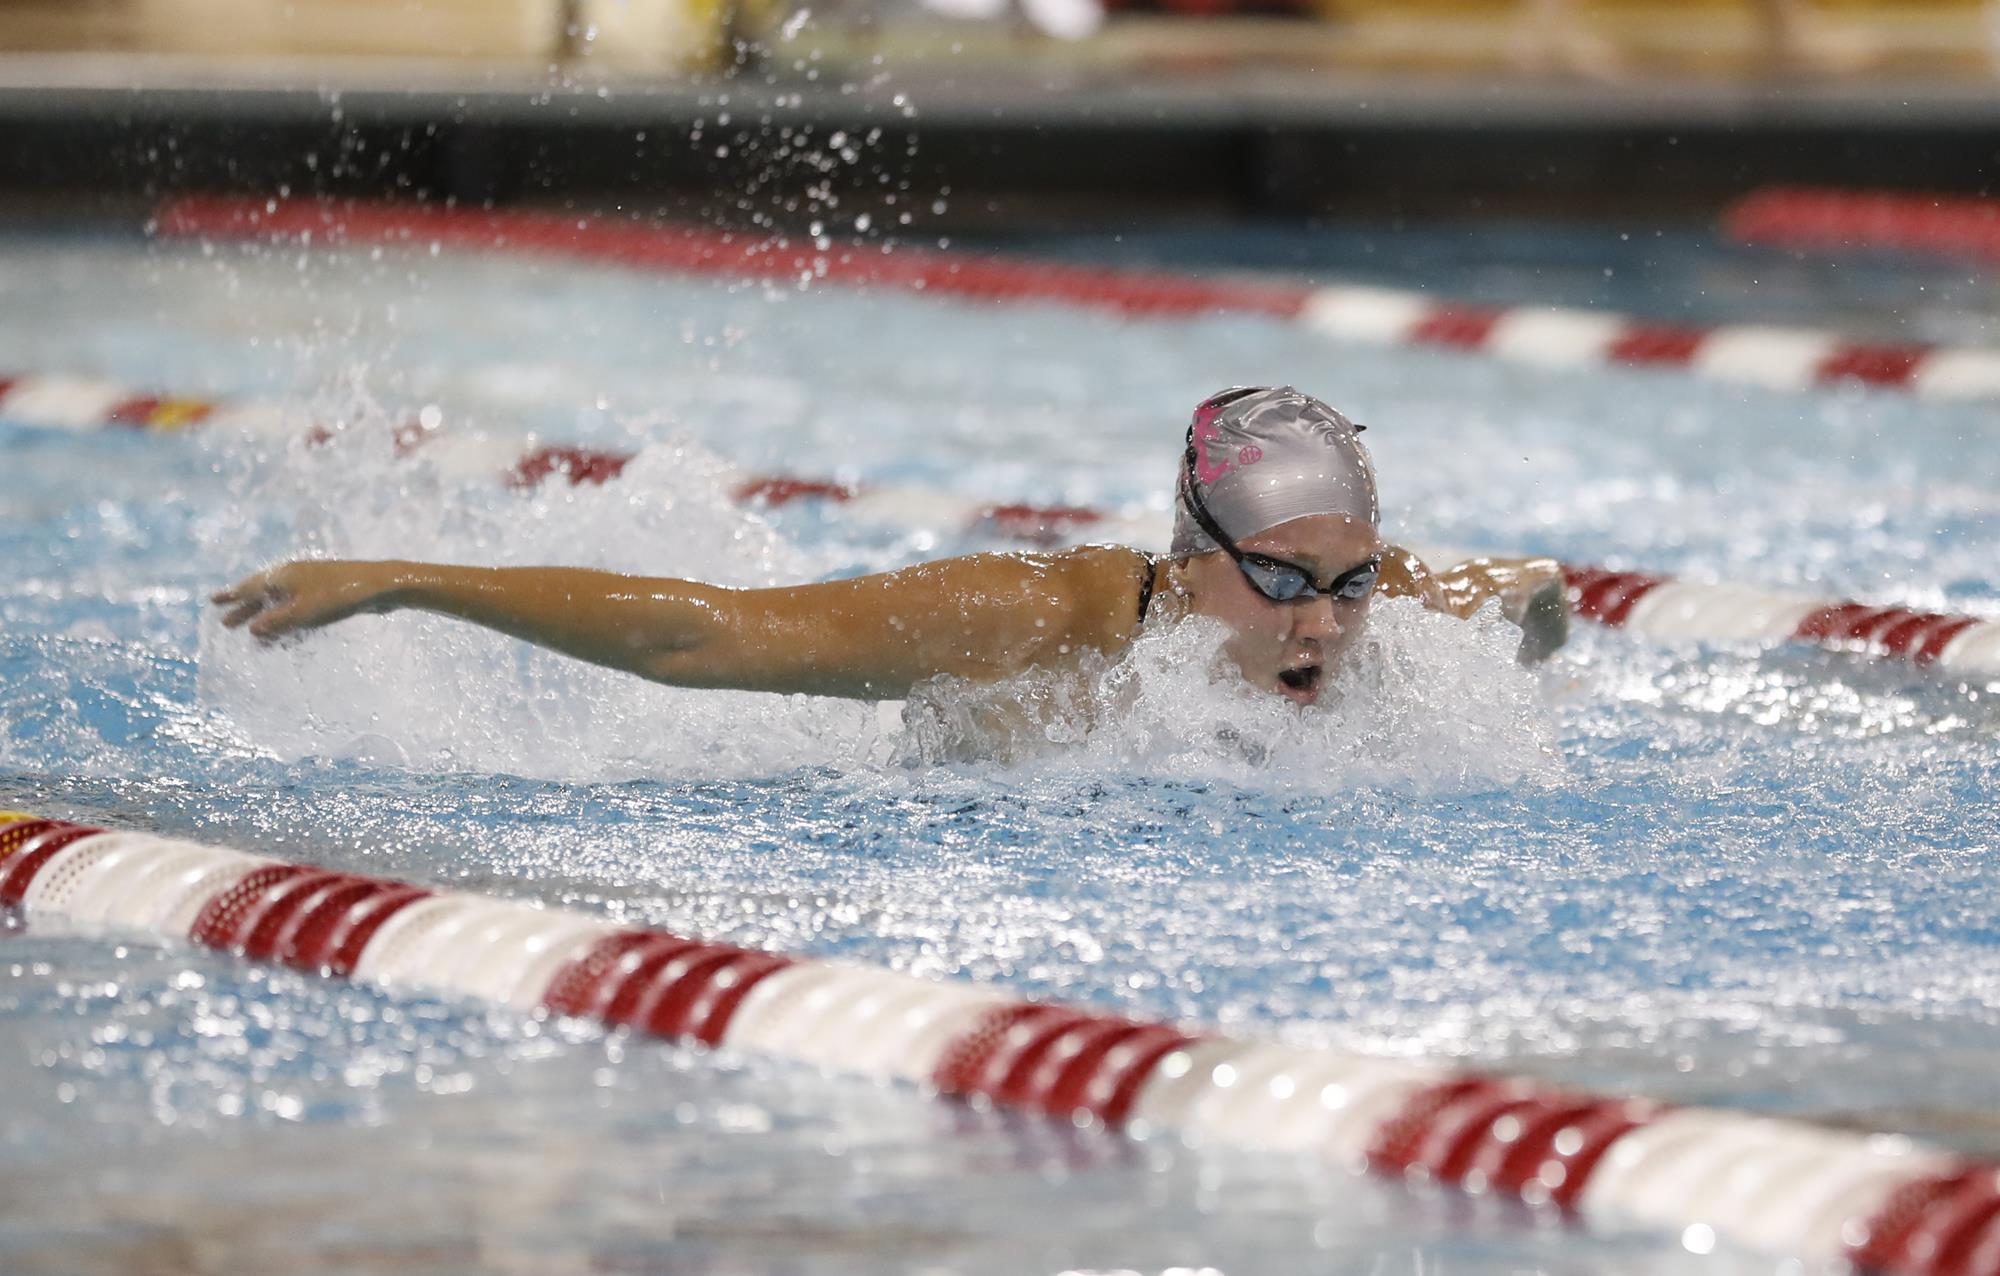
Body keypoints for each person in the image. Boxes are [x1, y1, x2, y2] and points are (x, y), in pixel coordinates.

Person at [211, 387, 1568, 710]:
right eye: (1279, 580)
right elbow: (711, 636)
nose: (1323, 624)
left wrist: (1536, 613)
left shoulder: (1377, 605)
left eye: (1349, 583)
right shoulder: (1033, 621)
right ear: (1195, 551)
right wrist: (407, 579)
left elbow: (1516, 595)